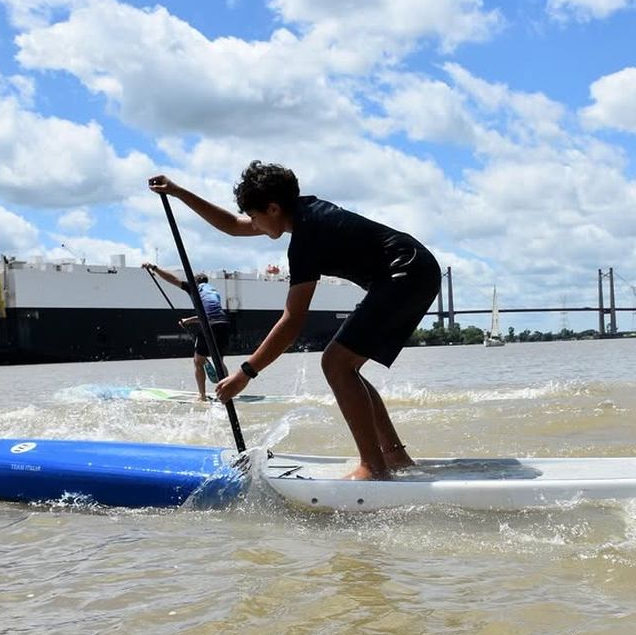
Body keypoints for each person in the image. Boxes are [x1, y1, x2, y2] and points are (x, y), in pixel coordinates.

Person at [148, 161, 441, 480]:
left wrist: (245, 373)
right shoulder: (300, 214)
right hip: (415, 268)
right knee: (345, 365)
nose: (253, 223)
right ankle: (392, 456)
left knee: (335, 364)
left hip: (406, 273)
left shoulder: (307, 236)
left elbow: (292, 321)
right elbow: (233, 224)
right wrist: (178, 193)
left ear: (272, 208)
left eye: (255, 215)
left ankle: (373, 466)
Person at [142, 263, 230, 401]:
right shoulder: (213, 292)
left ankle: (202, 396)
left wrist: (155, 269)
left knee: (198, 361)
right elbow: (209, 314)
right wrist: (188, 321)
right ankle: (227, 393)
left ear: (195, 281)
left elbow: (173, 280)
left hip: (210, 325)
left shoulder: (194, 288)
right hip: (224, 324)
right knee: (219, 361)